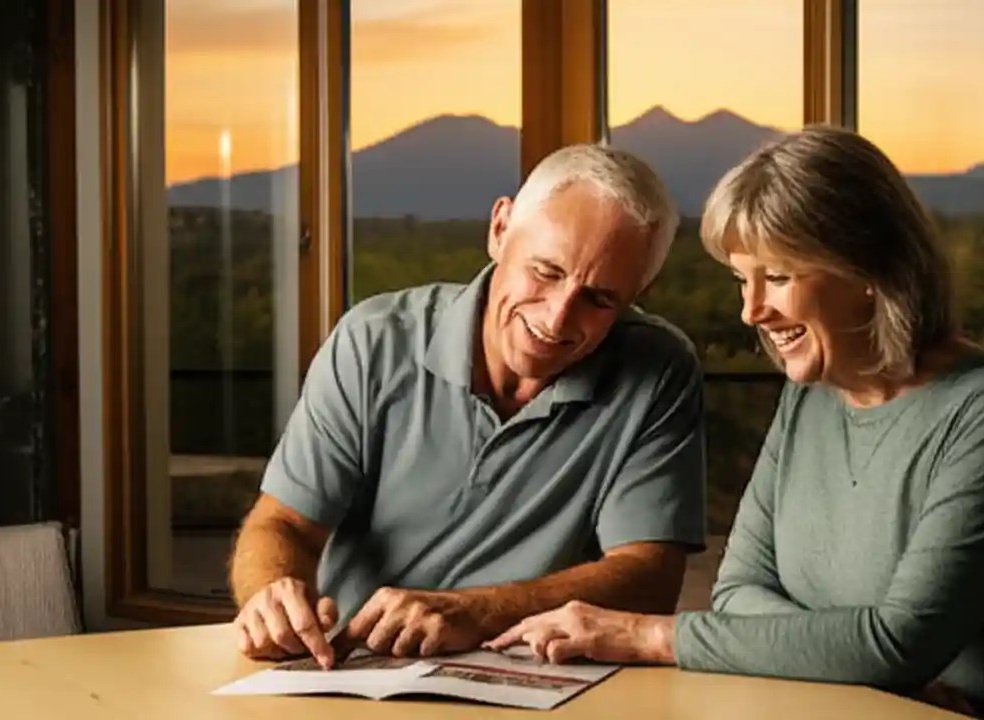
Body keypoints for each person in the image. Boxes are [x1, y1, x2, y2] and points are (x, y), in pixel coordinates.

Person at [488, 127, 984, 719]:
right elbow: (736, 594)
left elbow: (899, 643)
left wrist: (647, 634)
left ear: (868, 269)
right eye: (742, 279)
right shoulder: (809, 397)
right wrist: (857, 665)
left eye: (779, 278)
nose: (752, 310)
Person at [228, 144, 707, 670]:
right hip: (349, 668)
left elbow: (650, 575)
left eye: (599, 299)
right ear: (500, 229)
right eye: (546, 271)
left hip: (540, 679)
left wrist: (478, 612)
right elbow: (284, 524)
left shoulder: (659, 369)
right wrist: (272, 595)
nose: (557, 318)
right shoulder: (373, 342)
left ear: (640, 290)